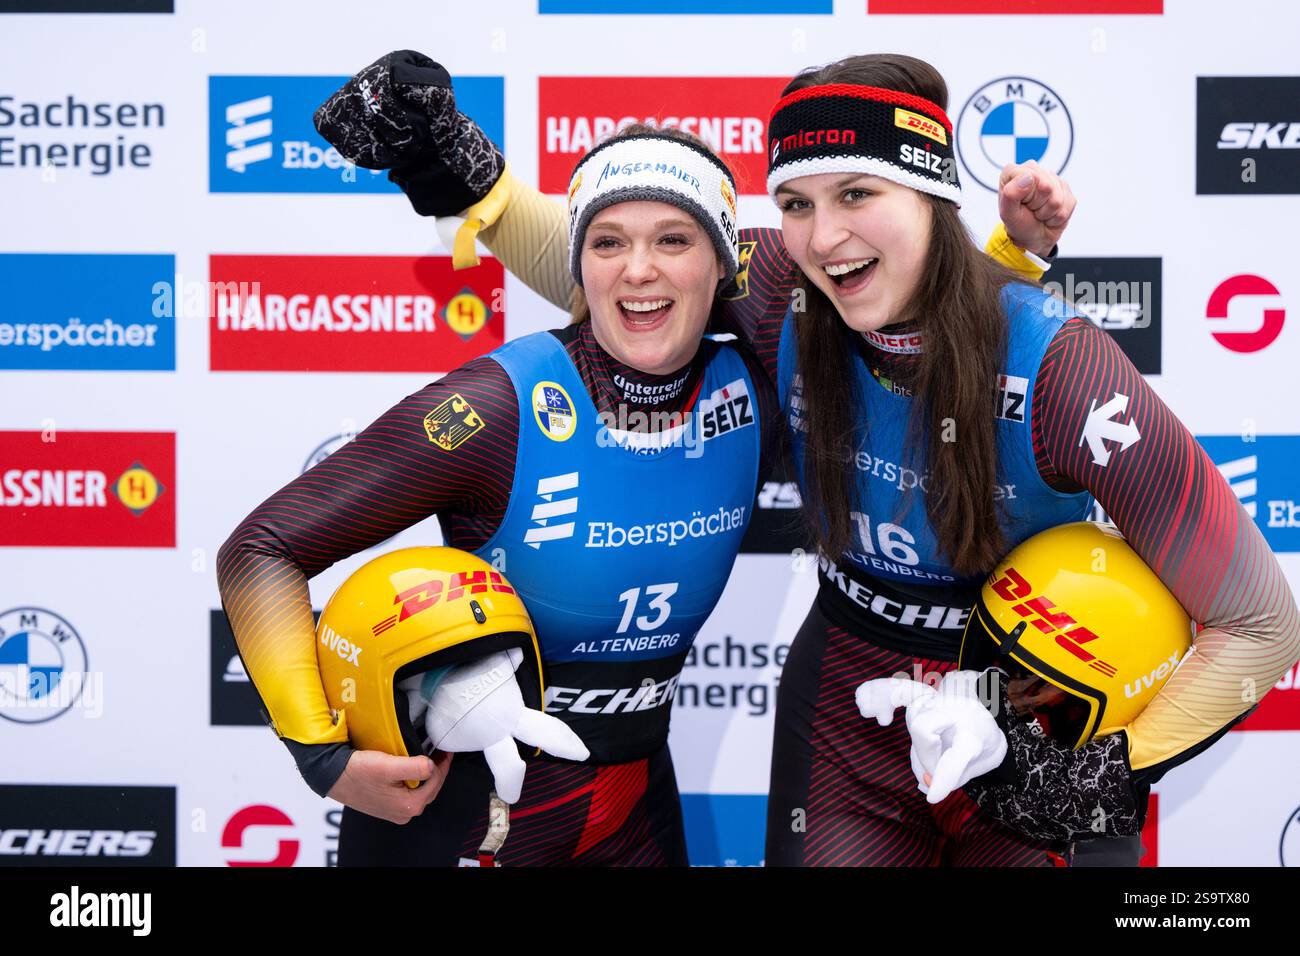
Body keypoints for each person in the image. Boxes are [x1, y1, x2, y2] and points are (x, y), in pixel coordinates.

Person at [418, 52, 1300, 866]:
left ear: (931, 196)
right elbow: (626, 275)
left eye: (856, 194)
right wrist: (469, 173)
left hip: (1035, 716)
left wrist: (1099, 774)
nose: (824, 236)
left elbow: (1262, 622)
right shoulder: (784, 291)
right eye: (796, 203)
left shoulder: (1057, 364)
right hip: (848, 706)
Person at [218, 62, 775, 862]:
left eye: (674, 240)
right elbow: (259, 552)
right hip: (455, 820)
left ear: (720, 267)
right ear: (579, 268)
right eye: (607, 242)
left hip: (637, 809)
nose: (639, 270)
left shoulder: (753, 385)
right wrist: (324, 757)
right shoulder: (501, 405)